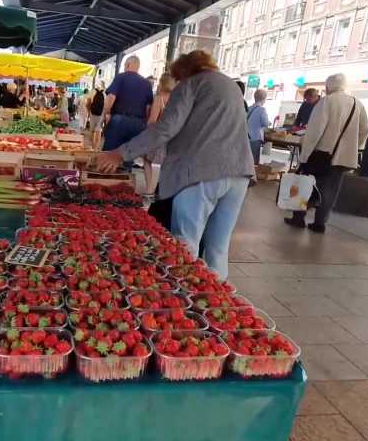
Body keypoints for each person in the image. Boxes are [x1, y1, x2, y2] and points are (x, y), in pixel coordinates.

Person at [94, 50, 255, 279]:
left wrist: (121, 153)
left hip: (201, 173)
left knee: (185, 245)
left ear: (184, 71)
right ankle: (216, 296)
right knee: (218, 248)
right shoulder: (229, 85)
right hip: (239, 173)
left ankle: (183, 290)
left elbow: (165, 128)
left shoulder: (191, 84)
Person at [284, 73, 368, 234]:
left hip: (320, 154)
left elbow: (315, 131)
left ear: (329, 86)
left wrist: (305, 155)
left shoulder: (327, 101)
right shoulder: (357, 104)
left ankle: (298, 218)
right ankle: (320, 223)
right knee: (330, 191)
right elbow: (364, 130)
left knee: (306, 185)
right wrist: (351, 147)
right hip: (342, 158)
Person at [102, 56, 153, 157]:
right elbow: (148, 107)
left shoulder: (120, 77)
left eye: (125, 65)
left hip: (119, 120)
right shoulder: (147, 84)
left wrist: (106, 113)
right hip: (138, 124)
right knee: (127, 156)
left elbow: (111, 97)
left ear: (128, 64)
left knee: (109, 155)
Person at [144, 72, 176, 195]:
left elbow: (152, 120)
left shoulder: (159, 98)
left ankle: (149, 190)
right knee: (165, 164)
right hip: (172, 136)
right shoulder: (177, 98)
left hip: (157, 135)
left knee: (147, 160)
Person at [247, 89, 269, 165]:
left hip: (246, 137)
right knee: (254, 161)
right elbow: (265, 123)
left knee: (246, 159)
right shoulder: (262, 110)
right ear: (263, 99)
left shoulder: (248, 108)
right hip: (255, 138)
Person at [87, 83, 105, 149]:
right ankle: (96, 148)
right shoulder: (105, 93)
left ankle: (92, 147)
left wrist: (89, 112)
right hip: (101, 115)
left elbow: (88, 104)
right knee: (98, 131)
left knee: (92, 131)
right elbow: (106, 106)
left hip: (92, 114)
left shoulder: (92, 92)